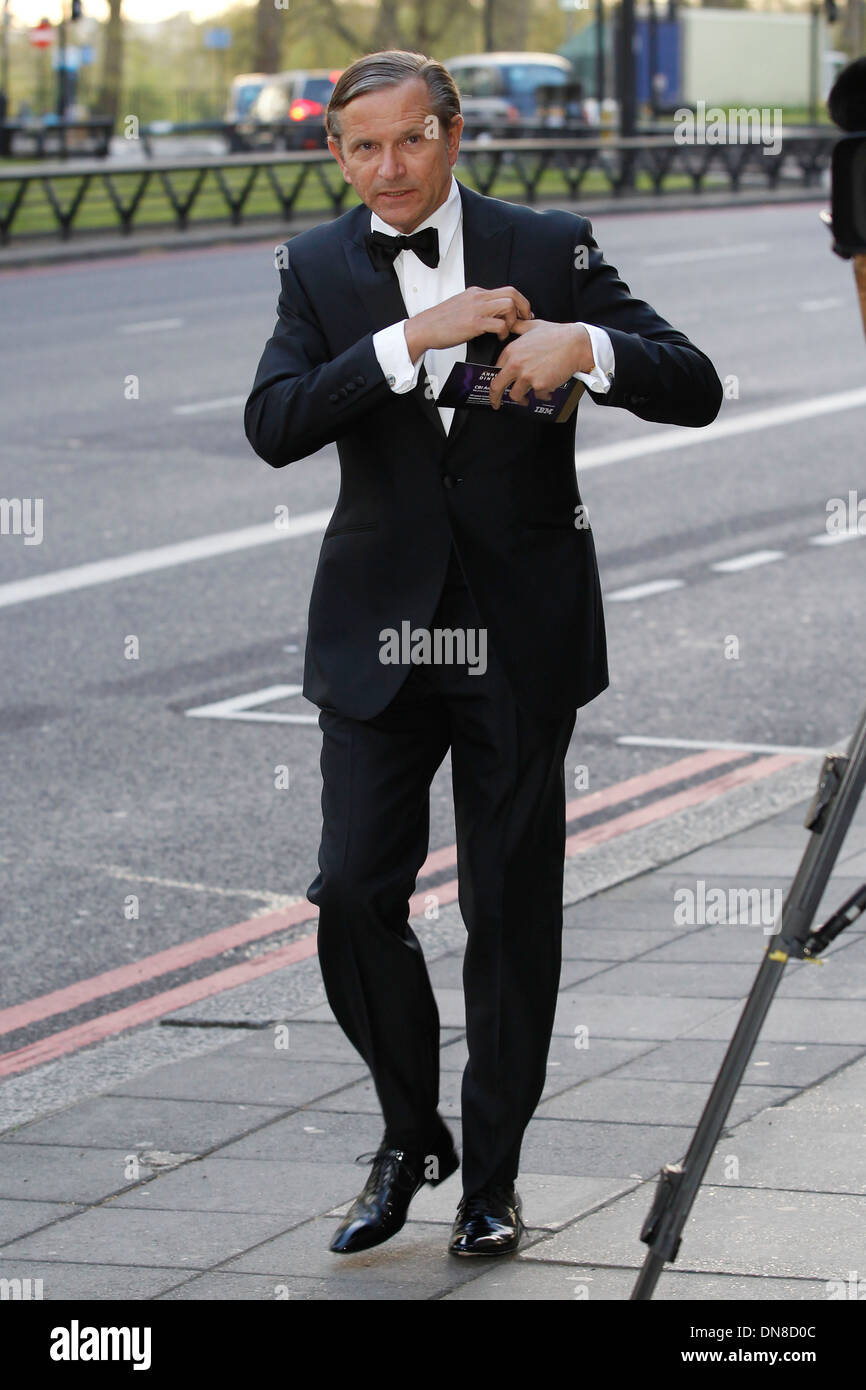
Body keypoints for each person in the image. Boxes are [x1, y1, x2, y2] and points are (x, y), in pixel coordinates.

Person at [244, 49, 723, 1259]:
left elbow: (696, 385)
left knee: (508, 913)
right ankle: (409, 1135)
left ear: (454, 135)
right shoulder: (314, 266)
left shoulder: (547, 243)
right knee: (354, 889)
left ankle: (490, 1183)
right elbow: (275, 426)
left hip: (517, 633)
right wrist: (414, 335)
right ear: (335, 154)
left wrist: (584, 349)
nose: (387, 169)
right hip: (379, 632)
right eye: (362, 148)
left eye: (410, 141)